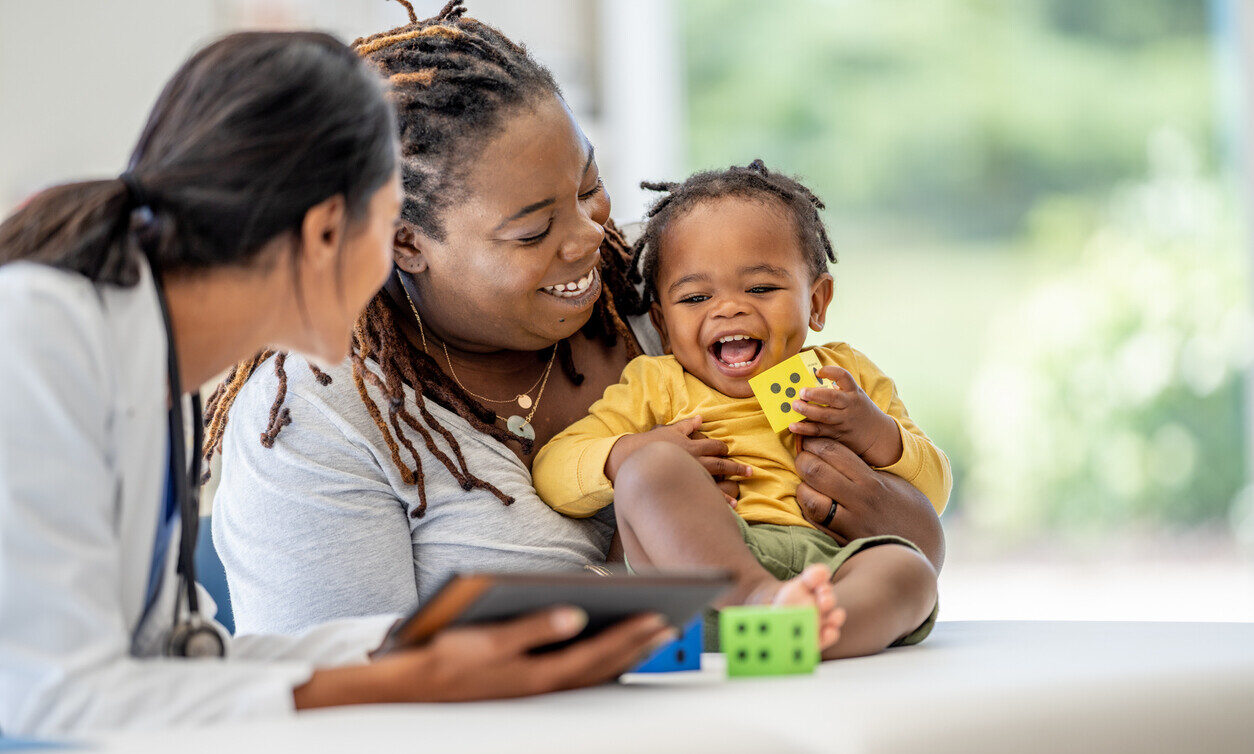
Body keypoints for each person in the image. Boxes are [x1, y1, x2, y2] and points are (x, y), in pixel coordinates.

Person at [0, 30, 675, 739]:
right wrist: (412, 680)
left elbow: (178, 665)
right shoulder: (38, 340)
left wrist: (428, 648)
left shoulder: (151, 368)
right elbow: (48, 702)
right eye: (389, 230)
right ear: (328, 232)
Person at [208, 1, 946, 639]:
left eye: (589, 186)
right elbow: (342, 691)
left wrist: (873, 494)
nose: (590, 236)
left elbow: (918, 542)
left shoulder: (676, 290)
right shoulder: (317, 418)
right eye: (533, 231)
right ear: (405, 243)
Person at [533, 160, 948, 658]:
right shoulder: (657, 383)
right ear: (663, 326)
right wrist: (628, 454)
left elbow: (934, 488)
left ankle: (806, 633)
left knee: (909, 570)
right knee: (650, 469)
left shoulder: (843, 375)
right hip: (703, 579)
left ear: (817, 302)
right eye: (695, 296)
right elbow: (553, 472)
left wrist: (873, 432)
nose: (728, 308)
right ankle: (760, 603)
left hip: (831, 572)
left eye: (760, 289)